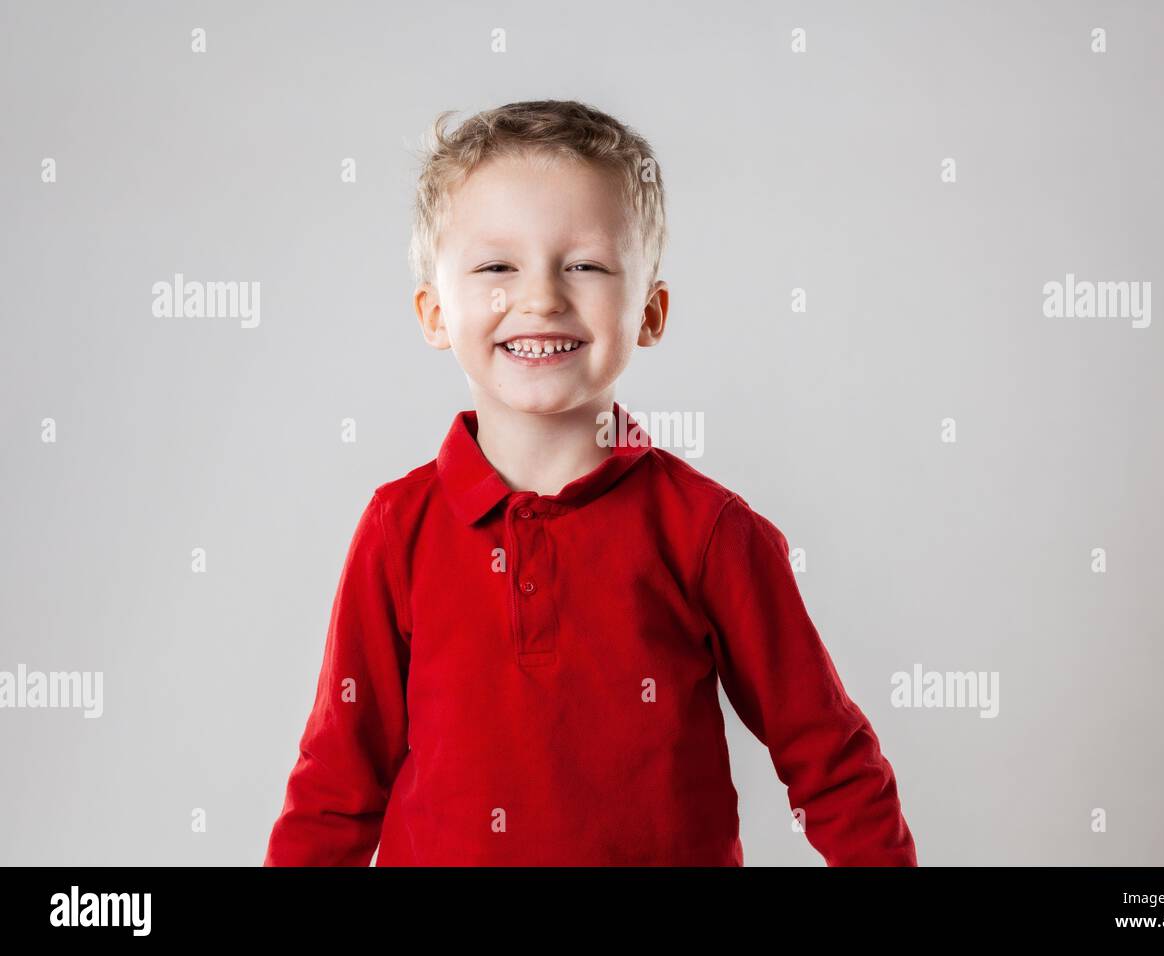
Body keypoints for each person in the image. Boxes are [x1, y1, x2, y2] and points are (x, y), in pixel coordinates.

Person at [263, 100, 917, 866]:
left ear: (650, 311)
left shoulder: (710, 532)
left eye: (585, 265)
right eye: (497, 266)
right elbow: (336, 787)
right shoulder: (396, 530)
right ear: (437, 313)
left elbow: (831, 763)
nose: (540, 297)